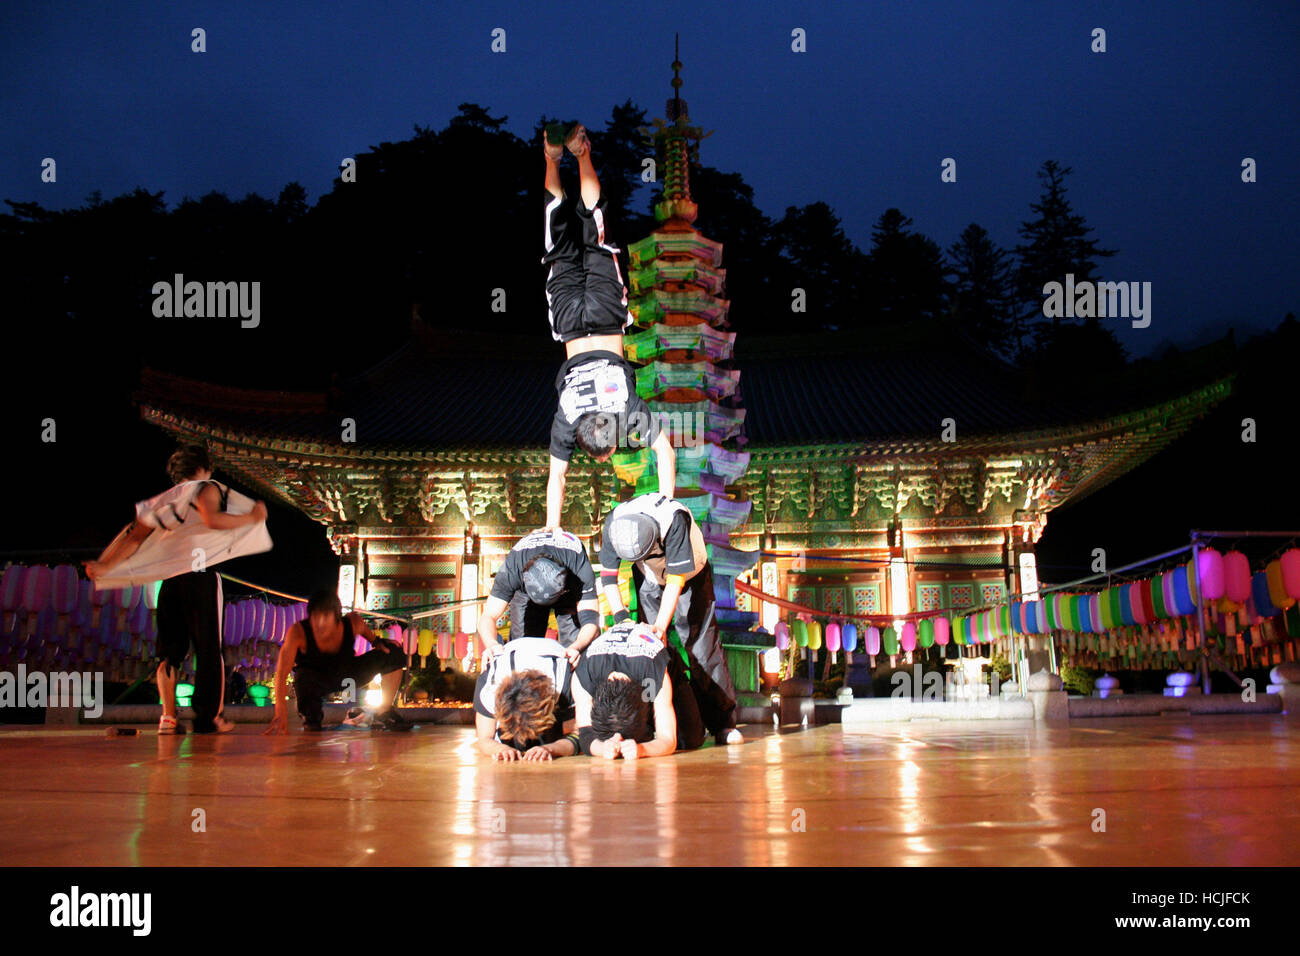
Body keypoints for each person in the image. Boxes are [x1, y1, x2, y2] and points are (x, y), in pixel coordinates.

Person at [540, 121, 676, 530]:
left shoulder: (626, 410)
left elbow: (665, 453)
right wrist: (551, 526)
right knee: (558, 238)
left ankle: (582, 153)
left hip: (605, 315)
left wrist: (666, 509)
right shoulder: (566, 417)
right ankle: (551, 157)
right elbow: (557, 476)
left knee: (595, 229)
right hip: (568, 321)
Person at [84, 443, 268, 735]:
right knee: (209, 649)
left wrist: (105, 566)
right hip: (200, 575)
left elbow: (134, 537)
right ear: (204, 467)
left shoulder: (163, 501)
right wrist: (253, 518)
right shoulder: (206, 488)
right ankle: (209, 717)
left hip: (171, 579)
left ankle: (168, 716)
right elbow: (212, 519)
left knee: (169, 652)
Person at [598, 492, 743, 745]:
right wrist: (621, 617)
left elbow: (676, 581)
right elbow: (608, 577)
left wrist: (660, 627)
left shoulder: (674, 519)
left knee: (701, 647)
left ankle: (723, 724)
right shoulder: (614, 522)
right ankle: (652, 723)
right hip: (648, 575)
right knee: (648, 651)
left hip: (690, 575)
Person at [264, 589, 411, 733]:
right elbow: (281, 674)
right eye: (316, 616)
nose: (320, 622)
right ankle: (312, 718)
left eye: (326, 616)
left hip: (347, 675)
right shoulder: (298, 632)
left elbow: (375, 641)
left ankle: (385, 711)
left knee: (393, 651)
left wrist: (382, 643)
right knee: (303, 676)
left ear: (336, 616)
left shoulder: (353, 622)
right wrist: (280, 712)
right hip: (316, 681)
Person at [572, 620, 706, 760]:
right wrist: (603, 748)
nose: (619, 739)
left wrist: (642, 749)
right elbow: (586, 734)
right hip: (616, 658)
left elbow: (668, 739)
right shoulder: (584, 674)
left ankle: (645, 732)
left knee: (691, 739)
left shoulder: (652, 670)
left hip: (663, 665)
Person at [476, 527, 601, 667]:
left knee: (576, 651)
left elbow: (591, 621)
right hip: (525, 596)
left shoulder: (578, 567)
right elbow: (488, 616)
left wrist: (576, 647)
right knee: (521, 649)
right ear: (523, 578)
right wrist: (492, 644)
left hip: (568, 593)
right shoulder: (512, 568)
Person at [473, 635, 578, 761]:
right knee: (510, 746)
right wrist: (501, 749)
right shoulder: (490, 687)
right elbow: (484, 738)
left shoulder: (567, 679)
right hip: (512, 652)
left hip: (554, 661)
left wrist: (551, 748)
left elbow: (580, 734)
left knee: (550, 741)